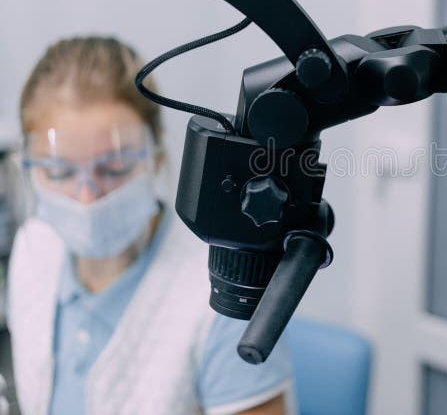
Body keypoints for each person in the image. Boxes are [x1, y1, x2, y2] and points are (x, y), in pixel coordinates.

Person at [6, 37, 296, 415]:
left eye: (114, 168)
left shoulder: (222, 295)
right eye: (59, 172)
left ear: (157, 154)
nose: (87, 198)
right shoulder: (34, 249)